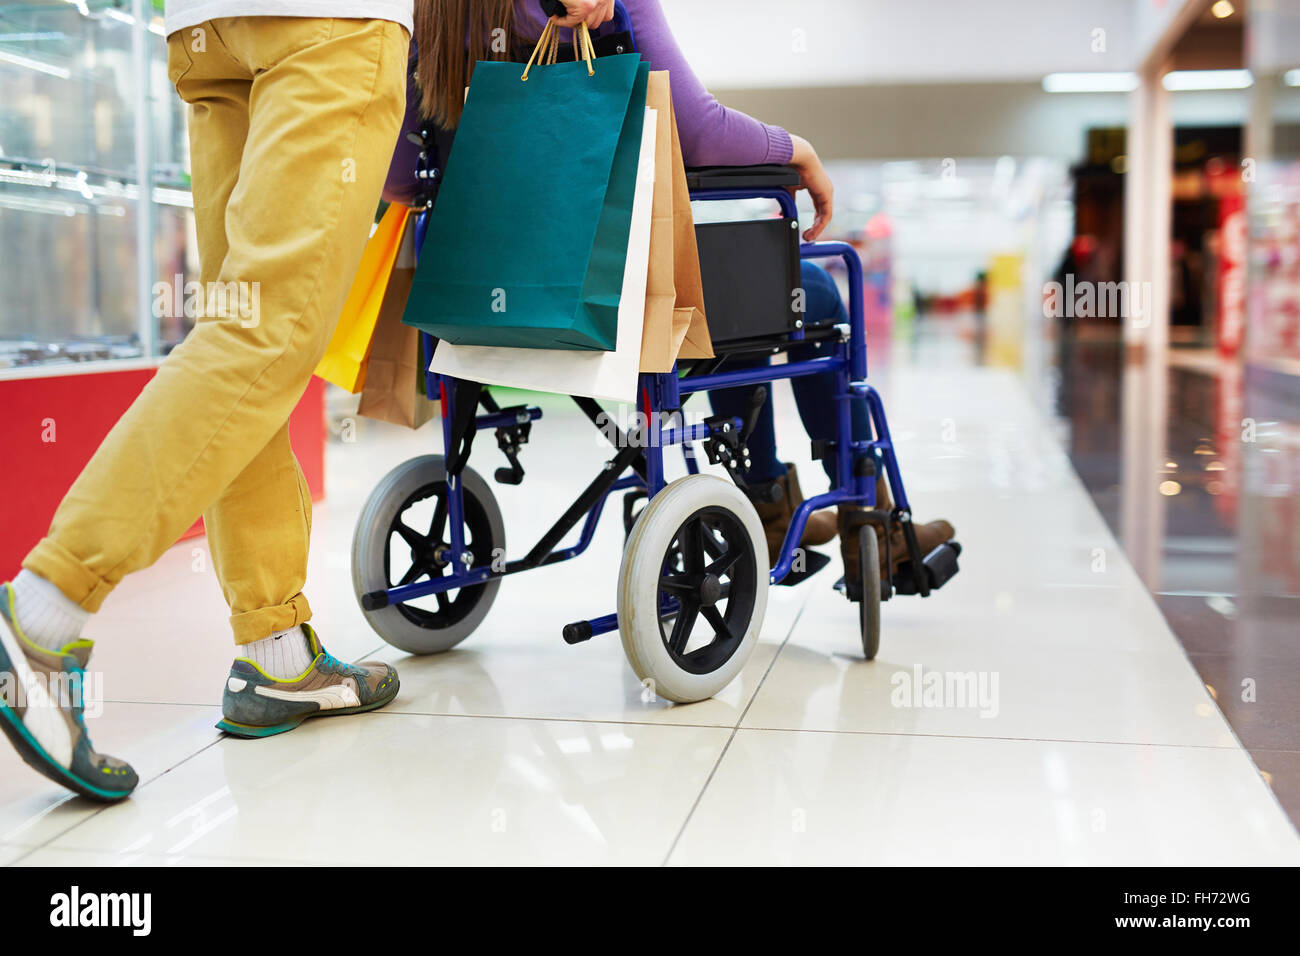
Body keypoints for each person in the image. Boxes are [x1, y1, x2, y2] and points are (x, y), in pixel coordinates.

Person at [0, 2, 417, 801]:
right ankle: (40, 616)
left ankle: (275, 653)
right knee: (261, 339)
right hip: (327, 20)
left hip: (204, 31)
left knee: (241, 330)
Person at [405, 0, 955, 583]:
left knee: (744, 287)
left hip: (484, 308)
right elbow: (700, 135)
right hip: (614, 299)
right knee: (807, 286)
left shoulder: (432, 14)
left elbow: (400, 178)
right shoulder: (601, 6)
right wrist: (798, 151)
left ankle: (769, 496)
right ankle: (857, 516)